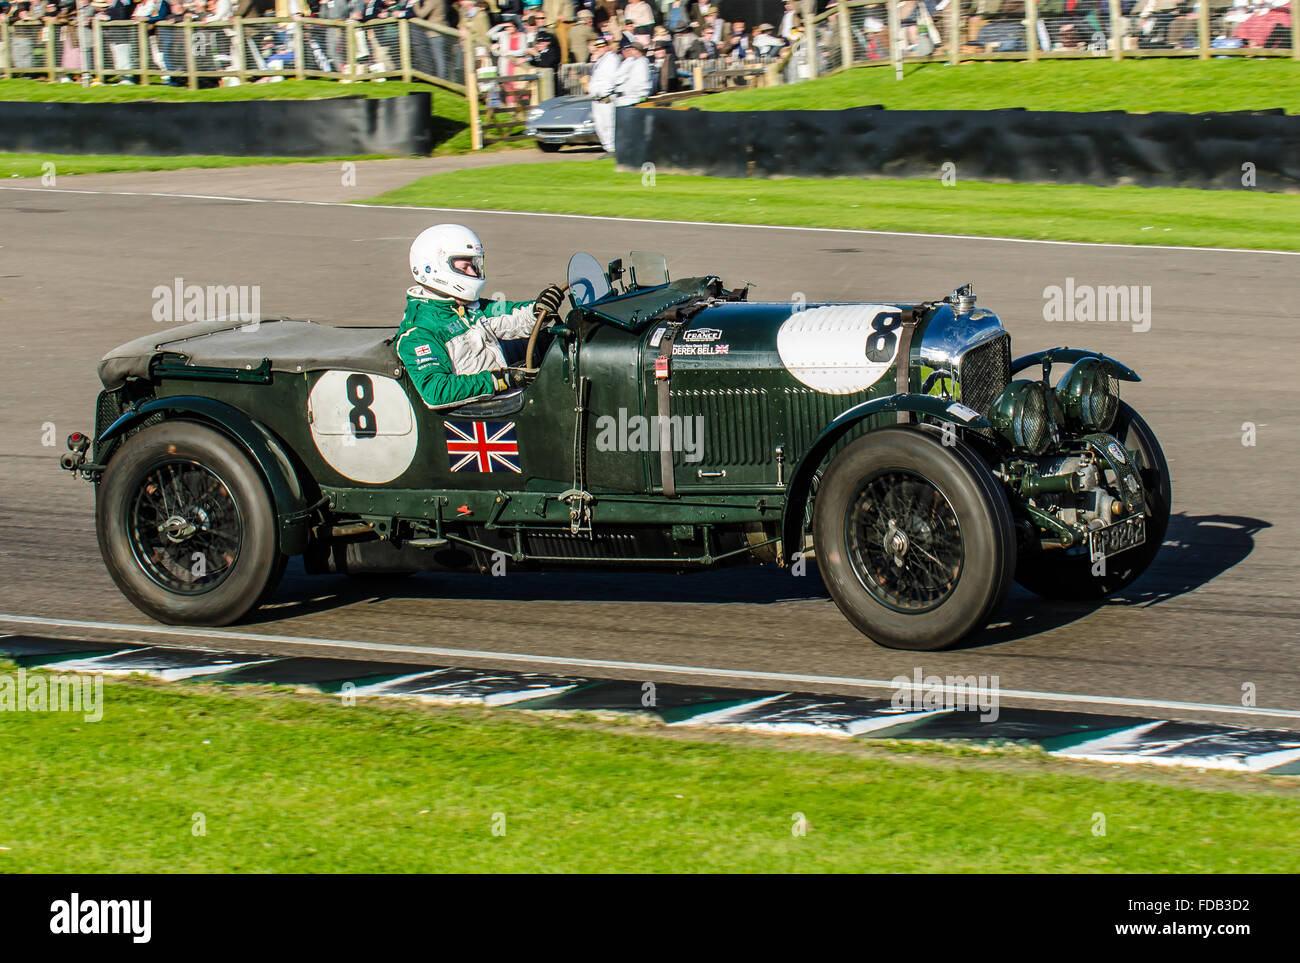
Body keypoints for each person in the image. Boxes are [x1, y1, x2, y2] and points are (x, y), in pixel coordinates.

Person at [396, 225, 566, 409]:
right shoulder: (419, 331)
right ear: (433, 268)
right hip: (488, 412)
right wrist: (501, 379)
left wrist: (539, 308)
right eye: (465, 267)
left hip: (510, 399)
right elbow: (435, 392)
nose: (473, 273)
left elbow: (511, 315)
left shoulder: (469, 307)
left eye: (474, 265)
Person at [587, 35, 620, 152]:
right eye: (598, 47)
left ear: (607, 47)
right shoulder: (600, 60)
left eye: (602, 46)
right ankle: (607, 148)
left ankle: (612, 149)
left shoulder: (611, 59)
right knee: (600, 125)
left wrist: (603, 93)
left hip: (606, 97)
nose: (599, 49)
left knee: (609, 124)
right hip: (597, 98)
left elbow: (610, 79)